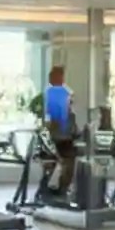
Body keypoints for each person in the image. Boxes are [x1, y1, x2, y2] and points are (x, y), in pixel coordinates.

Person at [44, 67, 76, 195]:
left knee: (69, 161)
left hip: (64, 134)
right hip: (60, 135)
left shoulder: (61, 92)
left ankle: (62, 188)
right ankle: (60, 189)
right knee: (67, 161)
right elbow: (57, 115)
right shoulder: (55, 93)